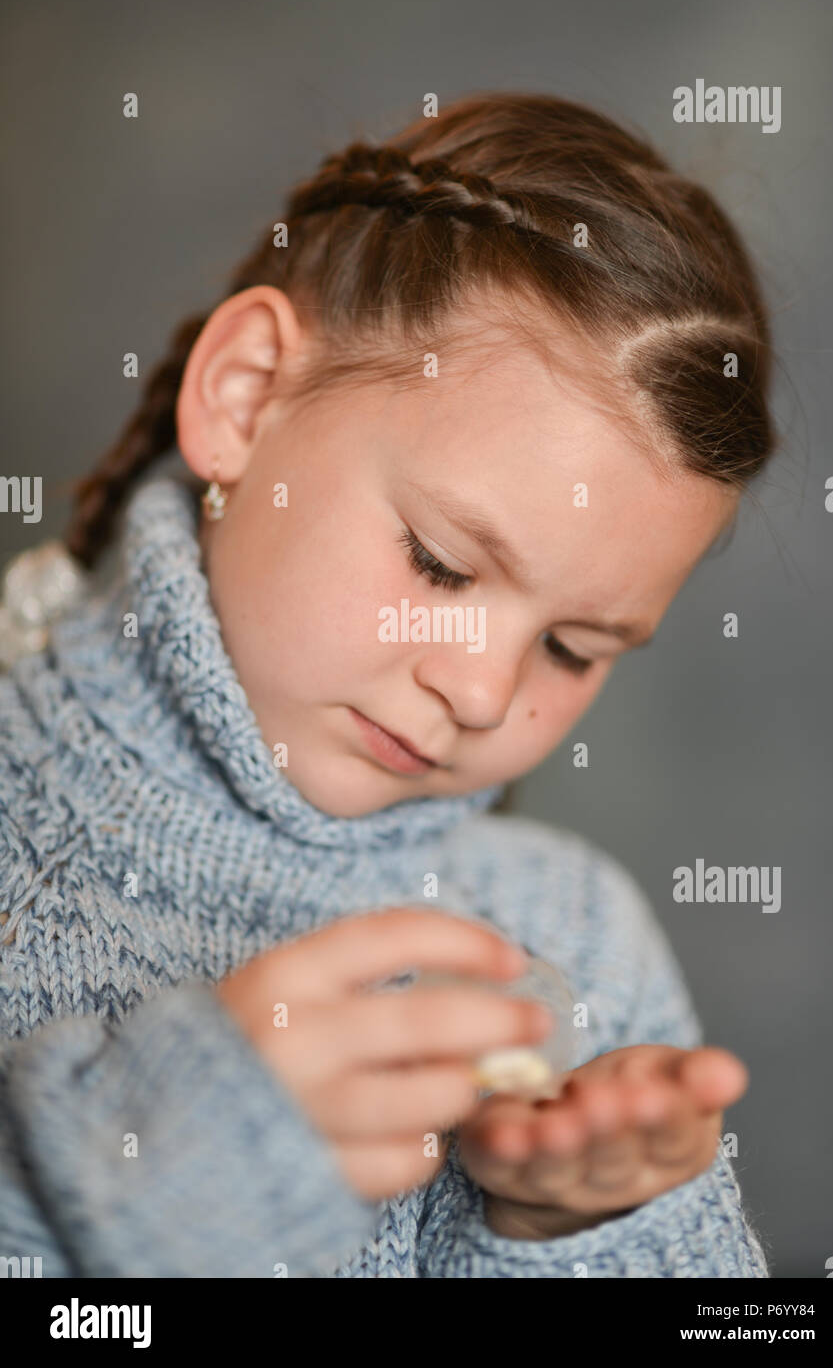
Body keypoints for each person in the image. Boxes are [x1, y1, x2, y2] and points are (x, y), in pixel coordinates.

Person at [0, 91, 775, 1277]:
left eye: (573, 648)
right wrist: (152, 1156)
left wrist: (577, 1229)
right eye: (441, 562)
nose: (479, 691)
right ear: (247, 396)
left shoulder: (578, 941)